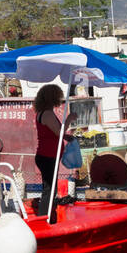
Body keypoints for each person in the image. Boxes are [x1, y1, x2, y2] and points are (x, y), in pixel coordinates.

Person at [33, 84, 76, 216]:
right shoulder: (47, 114)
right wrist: (69, 119)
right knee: (50, 190)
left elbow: (52, 133)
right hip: (48, 156)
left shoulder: (43, 113)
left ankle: (48, 214)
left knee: (49, 188)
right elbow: (58, 132)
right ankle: (45, 217)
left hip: (46, 155)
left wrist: (66, 136)